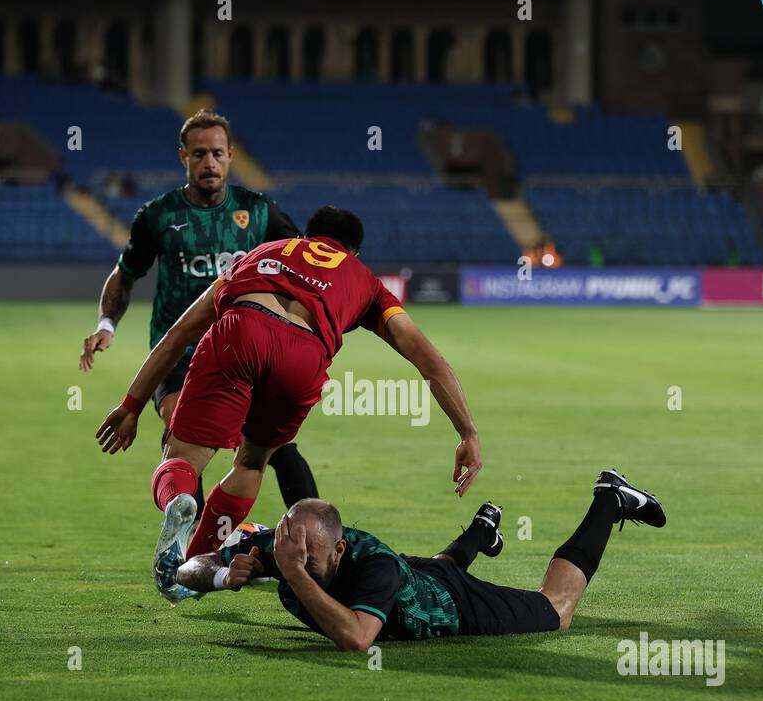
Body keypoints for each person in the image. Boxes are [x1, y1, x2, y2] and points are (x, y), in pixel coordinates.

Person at [95, 205, 484, 603]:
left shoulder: (265, 251)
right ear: (355, 253)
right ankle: (195, 564)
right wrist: (466, 431)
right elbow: (430, 362)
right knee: (251, 462)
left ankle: (179, 498)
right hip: (304, 355)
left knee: (182, 457)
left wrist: (132, 403)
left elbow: (178, 333)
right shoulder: (366, 281)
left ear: (304, 237)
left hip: (243, 327)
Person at [80, 109, 318, 525]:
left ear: (230, 157)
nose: (209, 162)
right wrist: (106, 324)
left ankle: (319, 535)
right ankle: (194, 546)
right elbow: (125, 275)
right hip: (179, 352)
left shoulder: (260, 212)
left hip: (244, 351)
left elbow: (304, 264)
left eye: (218, 153)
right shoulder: (159, 216)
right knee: (182, 430)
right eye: (199, 154)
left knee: (276, 444)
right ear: (183, 158)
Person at [175, 469, 666, 649]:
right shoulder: (284, 545)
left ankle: (609, 500)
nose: (298, 559)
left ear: (339, 549)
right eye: (291, 550)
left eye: (309, 557)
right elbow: (188, 567)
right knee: (440, 563)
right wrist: (220, 575)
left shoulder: (372, 569)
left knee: (556, 610)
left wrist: (291, 574)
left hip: (452, 605)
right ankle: (483, 529)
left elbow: (356, 638)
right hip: (422, 577)